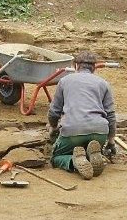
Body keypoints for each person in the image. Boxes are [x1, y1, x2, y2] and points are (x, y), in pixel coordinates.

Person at [48, 51, 116, 180]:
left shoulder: (64, 81)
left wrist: (53, 127)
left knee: (56, 157)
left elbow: (54, 111)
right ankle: (94, 156)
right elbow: (111, 115)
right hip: (99, 131)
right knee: (90, 145)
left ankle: (75, 162)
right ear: (94, 68)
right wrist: (111, 141)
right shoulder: (103, 83)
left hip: (74, 131)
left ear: (76, 66)